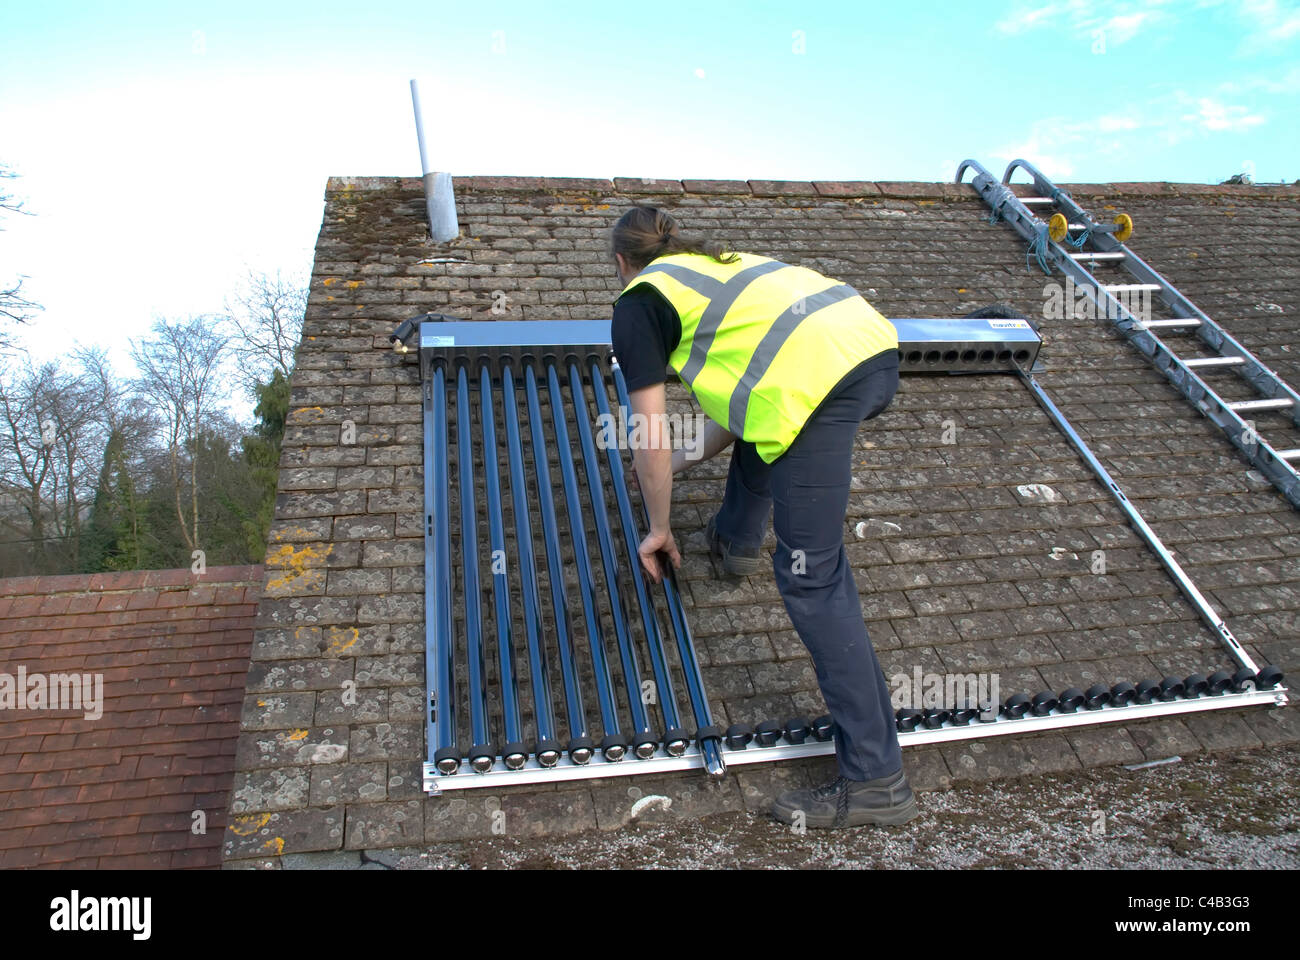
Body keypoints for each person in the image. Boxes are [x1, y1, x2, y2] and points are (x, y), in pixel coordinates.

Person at [608, 204, 918, 829]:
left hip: (825, 384)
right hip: (872, 350)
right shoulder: (723, 269)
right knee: (769, 422)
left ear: (622, 263)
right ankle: (734, 541)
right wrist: (681, 462)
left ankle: (875, 781)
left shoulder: (639, 302)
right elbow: (755, 397)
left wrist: (659, 526)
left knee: (813, 578)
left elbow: (650, 434)